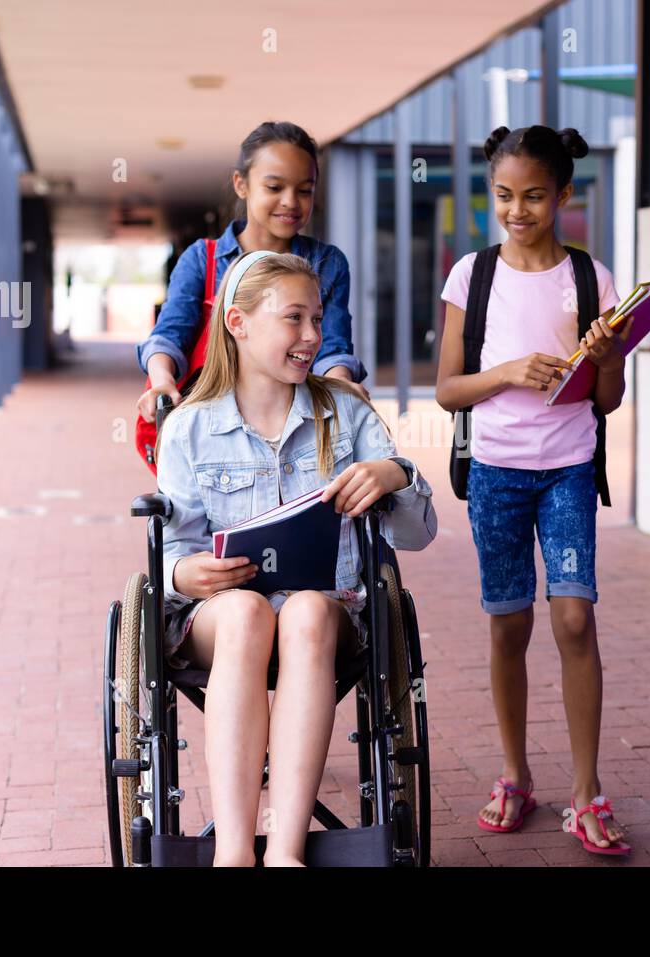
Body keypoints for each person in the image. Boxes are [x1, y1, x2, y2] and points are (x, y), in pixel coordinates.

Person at [154, 250, 437, 867]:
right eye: (294, 318)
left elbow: (418, 535)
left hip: (325, 618)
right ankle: (233, 853)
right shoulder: (190, 428)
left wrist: (396, 475)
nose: (312, 335)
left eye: (318, 317)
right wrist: (187, 572)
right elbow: (173, 553)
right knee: (245, 614)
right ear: (238, 323)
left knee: (306, 610)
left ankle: (285, 853)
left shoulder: (348, 413)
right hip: (220, 621)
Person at [435, 125, 633, 856]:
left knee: (575, 620)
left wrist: (607, 356)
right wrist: (510, 371)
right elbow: (448, 389)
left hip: (569, 468)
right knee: (508, 624)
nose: (517, 210)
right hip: (495, 472)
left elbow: (606, 399)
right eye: (504, 196)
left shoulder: (592, 280)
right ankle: (514, 773)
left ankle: (587, 791)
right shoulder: (472, 276)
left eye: (534, 197)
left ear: (564, 195)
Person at [137, 121, 368, 426]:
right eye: (274, 187)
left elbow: (332, 347)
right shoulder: (201, 260)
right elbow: (169, 336)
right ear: (241, 184)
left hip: (295, 426)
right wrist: (162, 381)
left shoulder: (327, 263)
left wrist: (341, 385)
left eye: (304, 190)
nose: (290, 201)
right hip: (214, 427)